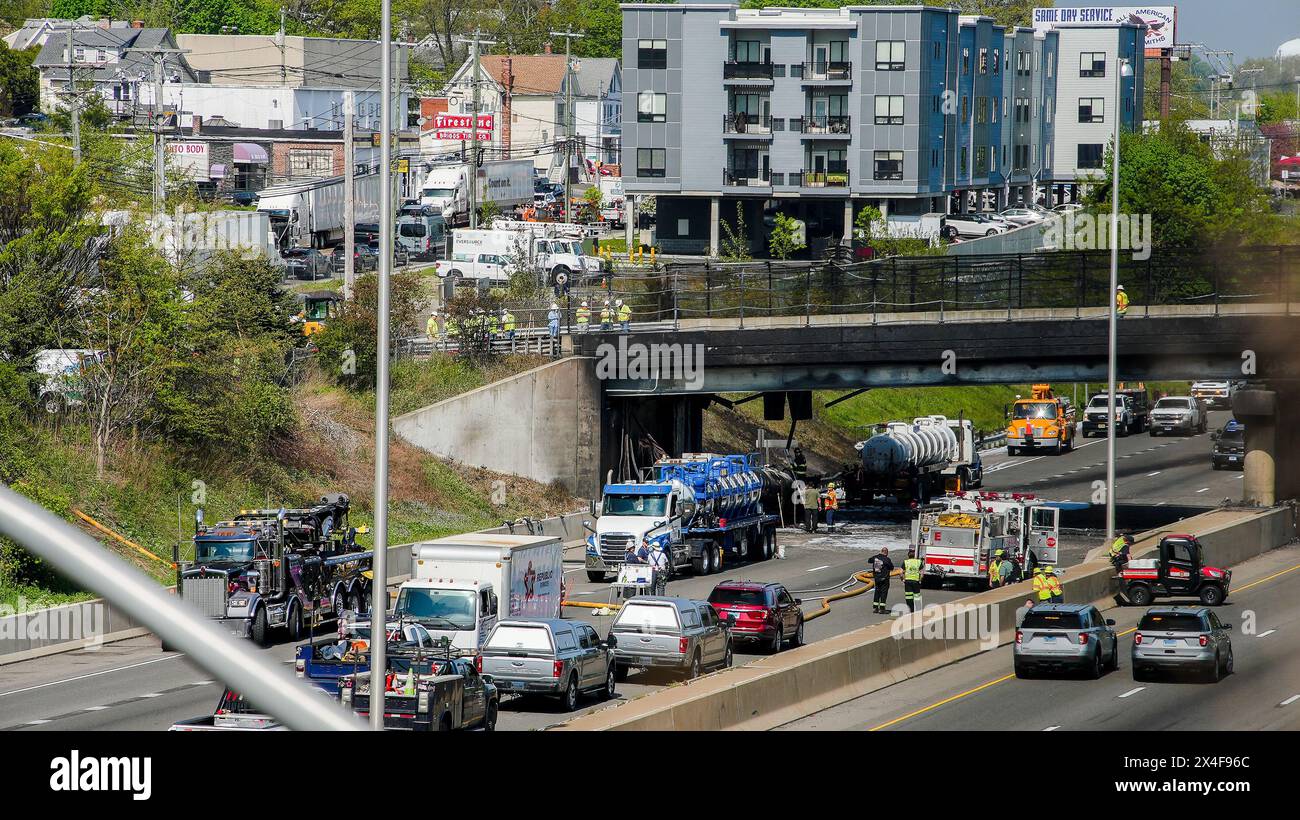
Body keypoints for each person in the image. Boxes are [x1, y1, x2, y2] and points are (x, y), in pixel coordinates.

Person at [870, 547, 894, 615]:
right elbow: (891, 568)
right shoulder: (887, 559)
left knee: (877, 592)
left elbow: (869, 560)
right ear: (886, 552)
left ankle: (875, 608)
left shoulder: (875, 557)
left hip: (877, 578)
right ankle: (882, 609)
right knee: (883, 593)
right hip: (884, 579)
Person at [902, 548, 923, 613]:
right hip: (916, 581)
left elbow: (901, 572)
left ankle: (911, 610)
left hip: (908, 581)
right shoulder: (919, 562)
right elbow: (922, 573)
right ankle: (918, 610)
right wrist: (920, 580)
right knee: (917, 596)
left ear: (908, 556)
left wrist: (903, 579)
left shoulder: (905, 562)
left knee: (908, 597)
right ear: (914, 556)